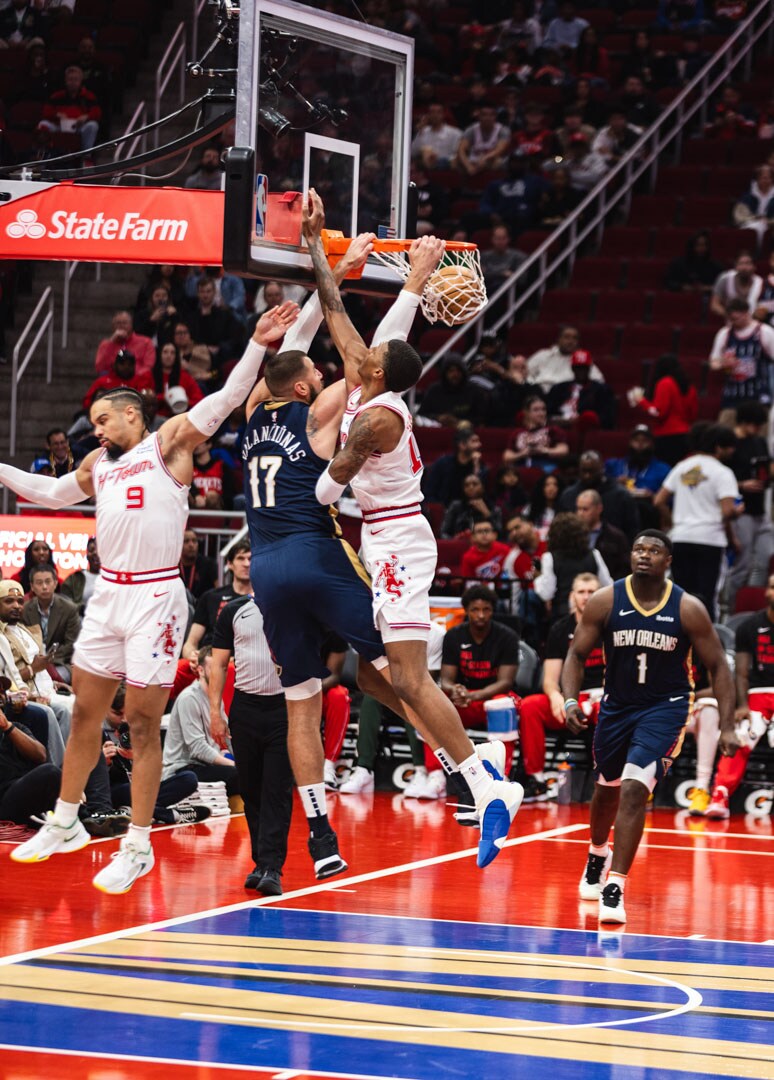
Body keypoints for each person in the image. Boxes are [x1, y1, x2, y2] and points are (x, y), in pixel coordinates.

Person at [3, 301, 299, 892]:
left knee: (141, 722)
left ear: (134, 417)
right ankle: (65, 821)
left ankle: (138, 843)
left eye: (103, 420)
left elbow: (223, 400)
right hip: (110, 593)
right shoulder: (98, 463)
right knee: (87, 709)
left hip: (157, 596)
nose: (95, 429)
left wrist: (259, 346)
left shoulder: (168, 444)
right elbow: (56, 492)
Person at [306, 190, 525, 869]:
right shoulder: (367, 375)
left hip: (399, 539)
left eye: (369, 354)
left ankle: (486, 779)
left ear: (373, 370)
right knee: (363, 673)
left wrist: (318, 461)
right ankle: (467, 752)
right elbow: (338, 311)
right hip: (379, 537)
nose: (360, 351)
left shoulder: (379, 417)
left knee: (404, 673)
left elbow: (324, 488)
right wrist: (318, 244)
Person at [561, 529, 737, 923]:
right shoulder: (606, 600)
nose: (644, 555)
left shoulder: (688, 608)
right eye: (638, 548)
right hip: (617, 706)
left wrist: (727, 725)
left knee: (634, 788)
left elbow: (719, 668)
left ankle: (615, 886)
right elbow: (575, 655)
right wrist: (570, 700)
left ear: (667, 561)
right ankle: (596, 851)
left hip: (666, 707)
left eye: (654, 550)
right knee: (605, 789)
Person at [209, 593, 294, 896]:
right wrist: (215, 713)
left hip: (283, 708)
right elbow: (218, 664)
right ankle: (260, 862)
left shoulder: (293, 605)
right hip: (244, 707)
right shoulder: (234, 610)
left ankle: (272, 865)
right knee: (251, 788)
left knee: (276, 789)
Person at [520, 572, 605, 800]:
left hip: (602, 698)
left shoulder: (612, 627)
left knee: (607, 710)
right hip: (570, 698)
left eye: (592, 592)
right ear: (572, 596)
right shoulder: (560, 629)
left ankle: (606, 781)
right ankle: (536, 779)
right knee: (530, 706)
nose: (586, 597)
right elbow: (549, 679)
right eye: (581, 592)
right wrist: (559, 697)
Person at [703, 574, 774, 819]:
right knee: (741, 734)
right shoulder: (749, 626)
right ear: (767, 591)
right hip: (758, 694)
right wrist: (742, 705)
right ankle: (720, 794)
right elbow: (742, 673)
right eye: (773, 586)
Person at [654, 423, 740, 621]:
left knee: (681, 596)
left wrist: (672, 523)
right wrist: (737, 512)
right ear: (718, 447)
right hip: (709, 540)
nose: (732, 452)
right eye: (729, 447)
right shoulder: (723, 472)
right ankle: (705, 646)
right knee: (707, 599)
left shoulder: (683, 466)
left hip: (681, 538)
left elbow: (659, 500)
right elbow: (727, 511)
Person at [162, 648, 239, 799]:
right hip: (182, 769)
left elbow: (229, 737)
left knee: (254, 773)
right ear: (201, 670)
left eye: (222, 669)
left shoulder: (216, 698)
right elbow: (197, 748)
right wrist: (234, 765)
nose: (220, 674)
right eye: (214, 669)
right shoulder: (189, 698)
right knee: (237, 775)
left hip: (204, 765)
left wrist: (244, 761)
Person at [725, 401, 773, 612]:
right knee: (742, 564)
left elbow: (768, 467)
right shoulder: (730, 444)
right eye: (754, 425)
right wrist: (742, 484)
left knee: (765, 557)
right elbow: (720, 480)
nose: (756, 429)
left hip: (760, 511)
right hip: (740, 512)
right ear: (744, 422)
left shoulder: (759, 442)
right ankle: (729, 608)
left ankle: (755, 609)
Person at [708, 298, 774, 426]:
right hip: (732, 397)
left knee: (757, 441)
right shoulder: (725, 334)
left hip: (758, 397)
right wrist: (723, 363)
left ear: (747, 313)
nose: (733, 322)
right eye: (731, 319)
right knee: (723, 436)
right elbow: (713, 363)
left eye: (736, 319)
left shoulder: (764, 332)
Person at [535, 512, 612, 620]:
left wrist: (537, 579)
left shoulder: (549, 558)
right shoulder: (594, 554)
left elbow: (546, 593)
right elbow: (607, 586)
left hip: (563, 615)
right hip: (591, 614)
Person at [182, 539, 251, 657]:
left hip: (247, 663)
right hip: (209, 662)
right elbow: (190, 643)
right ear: (229, 564)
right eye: (240, 558)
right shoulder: (210, 597)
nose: (247, 564)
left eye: (251, 559)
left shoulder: (265, 600)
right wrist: (193, 656)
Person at [628, 355, 698, 467]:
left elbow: (658, 413)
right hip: (685, 436)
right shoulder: (689, 386)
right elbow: (693, 414)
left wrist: (641, 401)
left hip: (667, 437)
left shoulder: (665, 383)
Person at [559, 450, 641, 541]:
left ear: (602, 469)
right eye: (584, 471)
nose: (587, 475)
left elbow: (632, 530)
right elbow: (560, 529)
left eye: (591, 471)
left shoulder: (621, 495)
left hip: (613, 548)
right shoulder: (568, 495)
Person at [22, 563, 81, 682]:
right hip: (32, 663)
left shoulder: (69, 609)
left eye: (48, 582)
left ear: (55, 583)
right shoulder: (25, 610)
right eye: (39, 583)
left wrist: (47, 660)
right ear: (32, 587)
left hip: (60, 663)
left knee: (50, 678)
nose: (44, 587)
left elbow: (71, 644)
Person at [546, 349, 615, 430]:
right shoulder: (558, 388)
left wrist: (580, 421)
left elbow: (606, 419)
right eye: (578, 368)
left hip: (585, 430)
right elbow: (547, 413)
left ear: (589, 368)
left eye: (584, 368)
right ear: (572, 368)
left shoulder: (601, 390)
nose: (581, 371)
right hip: (558, 427)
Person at [37, 65, 101, 154]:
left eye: (76, 79)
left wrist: (86, 116)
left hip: (79, 127)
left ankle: (86, 155)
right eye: (70, 79)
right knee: (43, 124)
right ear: (65, 81)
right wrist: (56, 114)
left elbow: (97, 113)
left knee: (93, 125)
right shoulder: (57, 96)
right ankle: (44, 154)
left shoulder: (88, 96)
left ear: (80, 81)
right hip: (59, 126)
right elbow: (45, 112)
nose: (73, 82)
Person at [422, 427, 489, 507]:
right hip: (444, 509)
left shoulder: (480, 466)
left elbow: (481, 495)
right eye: (474, 441)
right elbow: (429, 492)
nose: (479, 444)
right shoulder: (443, 463)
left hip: (468, 511)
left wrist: (476, 468)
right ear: (462, 445)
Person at [527, 325, 604, 394]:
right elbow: (526, 373)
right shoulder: (543, 355)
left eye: (575, 338)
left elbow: (599, 381)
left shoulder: (581, 360)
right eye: (566, 337)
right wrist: (532, 386)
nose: (571, 341)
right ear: (558, 340)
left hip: (562, 397)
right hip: (537, 394)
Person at [575, 489, 631, 580]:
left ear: (599, 509)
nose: (580, 514)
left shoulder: (615, 536)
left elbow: (624, 569)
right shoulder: (572, 536)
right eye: (578, 509)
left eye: (585, 509)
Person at [503, 395, 570, 471]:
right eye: (536, 410)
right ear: (526, 412)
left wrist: (544, 450)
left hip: (545, 466)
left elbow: (564, 450)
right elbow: (507, 456)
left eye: (543, 409)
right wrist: (522, 454)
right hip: (522, 466)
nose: (541, 413)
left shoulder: (553, 429)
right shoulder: (517, 432)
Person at [82, 349, 155, 411]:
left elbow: (149, 403)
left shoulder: (141, 381)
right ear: (115, 365)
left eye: (130, 364)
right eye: (122, 363)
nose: (126, 367)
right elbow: (87, 402)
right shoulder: (102, 382)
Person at [94, 311, 155, 379]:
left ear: (131, 325)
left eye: (124, 323)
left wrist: (128, 376)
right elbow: (100, 368)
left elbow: (148, 367)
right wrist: (111, 342)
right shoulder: (105, 344)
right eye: (118, 323)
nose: (121, 326)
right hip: (112, 382)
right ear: (113, 327)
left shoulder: (146, 342)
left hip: (137, 381)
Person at [441, 475, 503, 539]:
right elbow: (443, 532)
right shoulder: (455, 506)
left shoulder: (494, 509)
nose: (471, 487)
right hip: (459, 544)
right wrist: (454, 541)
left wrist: (486, 513)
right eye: (466, 485)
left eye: (475, 484)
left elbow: (500, 535)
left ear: (483, 487)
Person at [664, 231, 723, 295]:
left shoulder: (715, 266)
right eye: (698, 245)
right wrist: (682, 287)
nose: (702, 248)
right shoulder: (678, 264)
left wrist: (708, 288)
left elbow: (723, 286)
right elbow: (668, 282)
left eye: (704, 245)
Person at [710, 252, 764, 321]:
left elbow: (763, 307)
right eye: (740, 263)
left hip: (753, 322)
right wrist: (731, 316)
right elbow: (714, 305)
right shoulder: (725, 278)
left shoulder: (760, 282)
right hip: (730, 321)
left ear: (754, 267)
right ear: (735, 266)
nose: (744, 267)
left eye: (748, 263)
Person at [61, 536, 101, 613]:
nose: (95, 553)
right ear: (86, 554)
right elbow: (64, 604)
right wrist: (82, 608)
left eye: (99, 550)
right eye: (91, 550)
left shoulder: (114, 579)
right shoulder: (74, 578)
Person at [178, 528, 217, 600]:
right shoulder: (174, 566)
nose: (191, 545)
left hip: (203, 607)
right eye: (186, 541)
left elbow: (218, 589)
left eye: (194, 541)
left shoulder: (209, 564)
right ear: (178, 544)